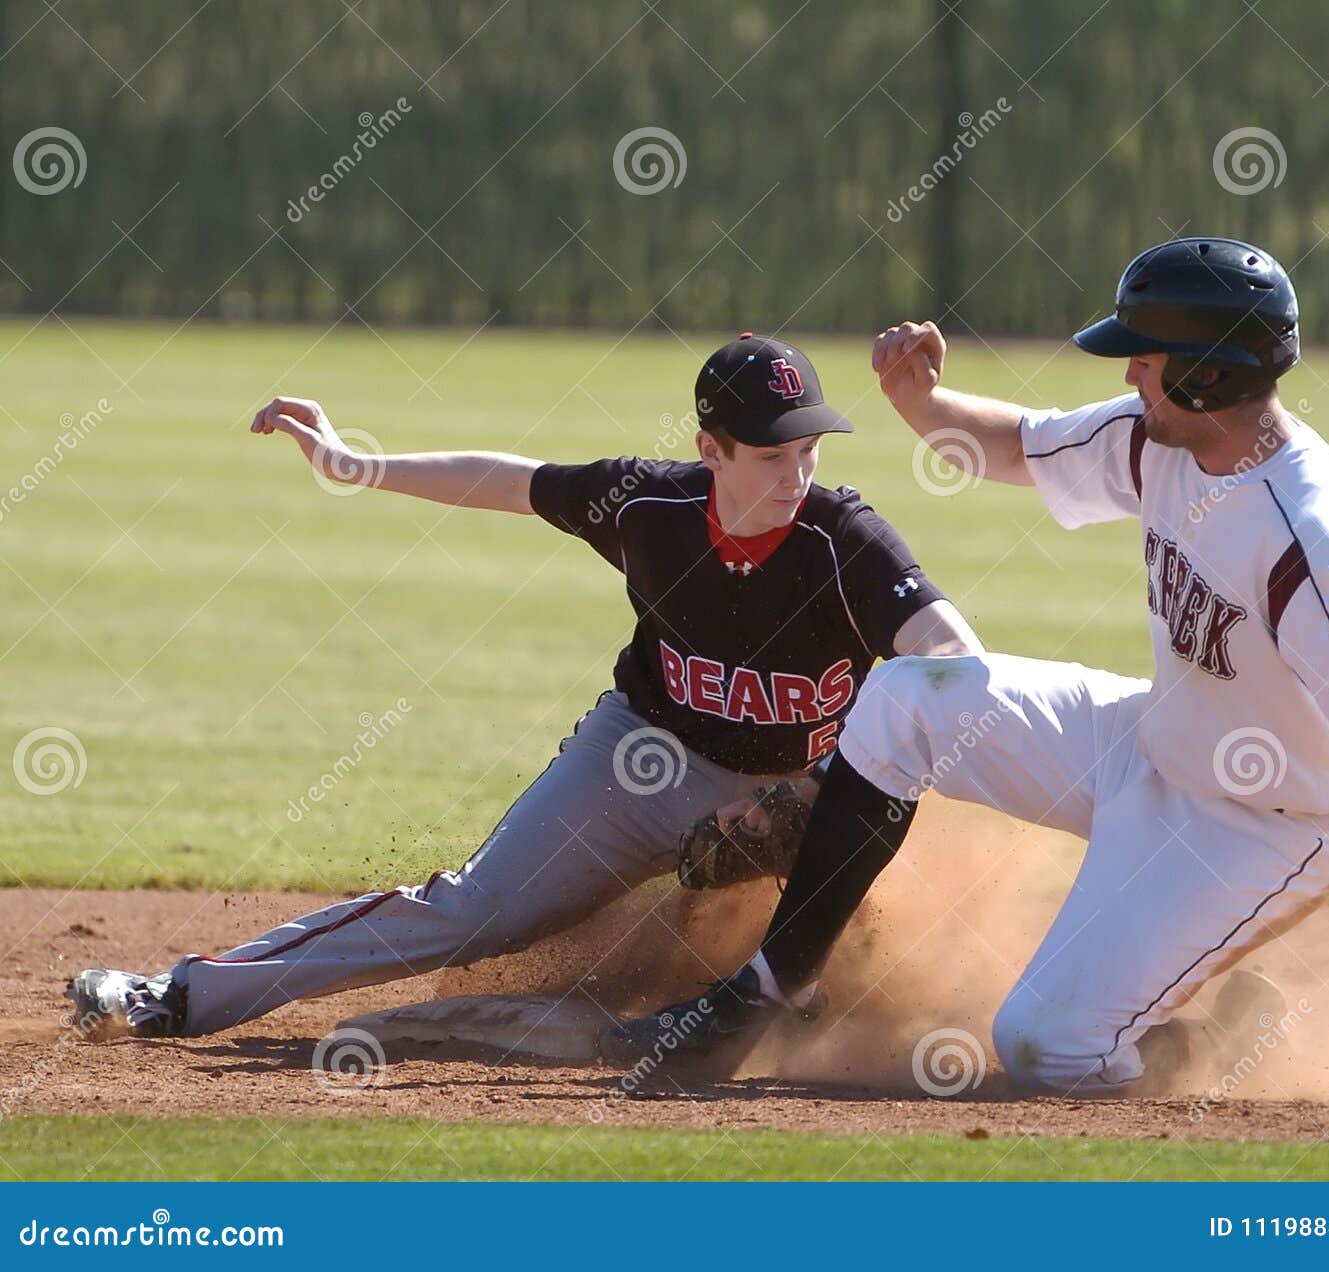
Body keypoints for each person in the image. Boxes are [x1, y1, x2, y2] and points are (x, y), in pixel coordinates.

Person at [604, 240, 1329, 1093]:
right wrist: (921, 399)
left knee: (1045, 1044)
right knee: (907, 696)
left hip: (1261, 828)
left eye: (1145, 357)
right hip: (1148, 741)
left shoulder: (1310, 541)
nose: (1129, 373)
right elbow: (1019, 445)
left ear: (1208, 376)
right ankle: (767, 988)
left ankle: (1207, 1041)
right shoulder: (1164, 438)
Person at [65, 333, 981, 1040]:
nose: (797, 472)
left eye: (808, 449)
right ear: (711, 448)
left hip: (799, 792)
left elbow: (950, 651)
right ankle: (182, 994)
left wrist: (832, 789)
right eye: (771, 455)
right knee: (472, 912)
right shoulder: (649, 509)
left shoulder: (843, 541)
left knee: (847, 945)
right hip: (642, 758)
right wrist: (358, 466)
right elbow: (512, 480)